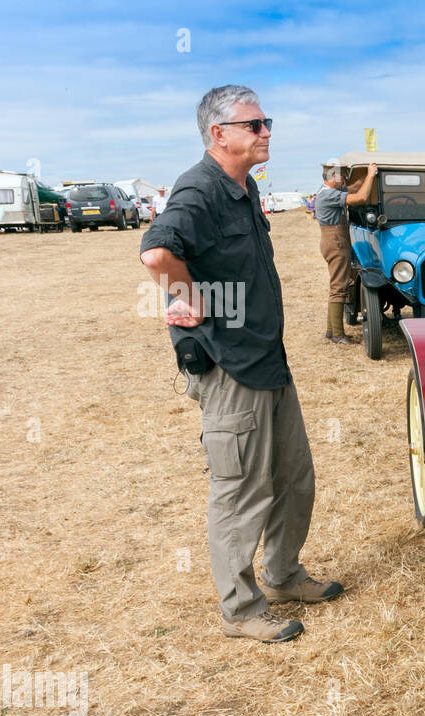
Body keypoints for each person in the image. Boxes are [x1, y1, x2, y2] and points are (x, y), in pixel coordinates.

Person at [139, 84, 342, 645]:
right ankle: (241, 608)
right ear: (218, 133)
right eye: (255, 124)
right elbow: (156, 251)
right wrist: (184, 294)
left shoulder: (244, 186)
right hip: (230, 367)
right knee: (241, 490)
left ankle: (282, 575)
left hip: (267, 358)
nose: (266, 132)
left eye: (266, 122)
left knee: (293, 478)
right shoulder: (198, 188)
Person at [315, 158, 376, 344]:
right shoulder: (328, 195)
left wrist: (366, 175)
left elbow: (355, 187)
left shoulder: (330, 191)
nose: (343, 178)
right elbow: (360, 197)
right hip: (336, 241)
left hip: (334, 240)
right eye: (340, 174)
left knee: (337, 284)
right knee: (339, 286)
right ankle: (338, 335)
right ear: (333, 176)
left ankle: (331, 330)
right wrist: (372, 176)